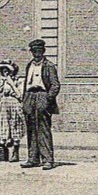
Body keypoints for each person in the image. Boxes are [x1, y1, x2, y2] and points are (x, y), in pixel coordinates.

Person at [20, 39, 61, 170]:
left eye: (38, 51)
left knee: (43, 129)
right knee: (31, 129)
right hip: (30, 96)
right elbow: (26, 82)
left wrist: (48, 98)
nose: (36, 54)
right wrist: (25, 98)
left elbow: (55, 85)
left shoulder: (49, 65)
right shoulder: (29, 65)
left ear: (43, 51)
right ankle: (33, 158)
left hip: (42, 95)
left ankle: (48, 159)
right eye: (34, 51)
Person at [0, 60, 25, 164]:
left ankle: (15, 152)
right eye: (3, 70)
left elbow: (20, 95)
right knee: (4, 125)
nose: (5, 73)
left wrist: (11, 83)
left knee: (15, 126)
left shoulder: (18, 81)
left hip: (14, 103)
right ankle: (6, 150)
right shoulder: (1, 81)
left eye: (7, 70)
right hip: (4, 103)